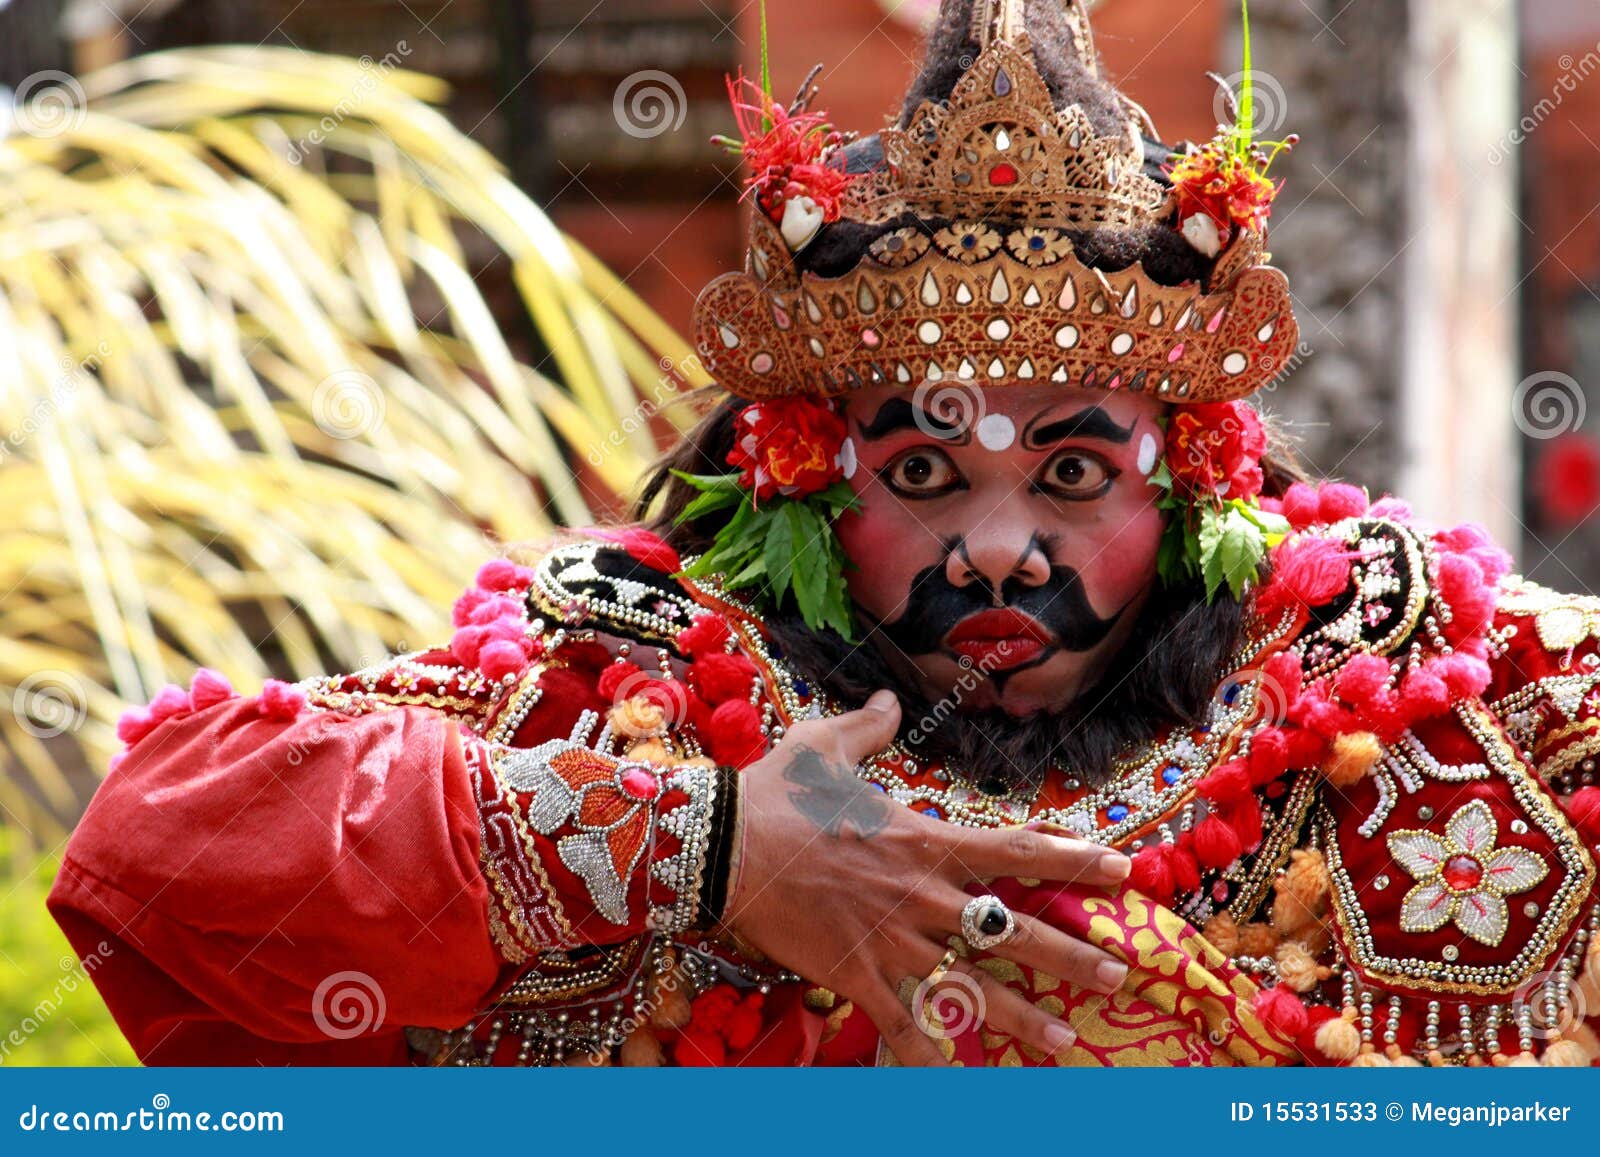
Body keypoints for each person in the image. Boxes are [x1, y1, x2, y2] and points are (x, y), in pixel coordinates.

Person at [50, 0, 1600, 1067]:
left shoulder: (1404, 687)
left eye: (1072, 479)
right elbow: (156, 845)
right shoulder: (652, 696)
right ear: (799, 474)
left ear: (1193, 485)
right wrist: (702, 849)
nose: (999, 548)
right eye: (922, 476)